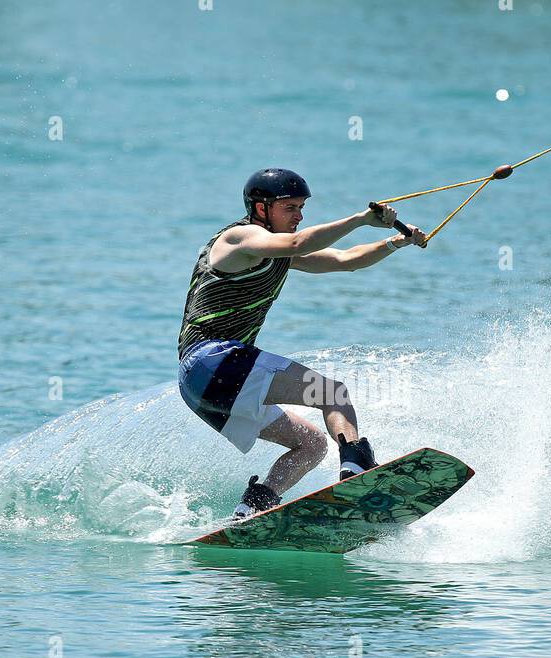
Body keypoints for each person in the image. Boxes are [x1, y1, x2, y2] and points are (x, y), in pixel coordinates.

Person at [178, 168, 428, 518]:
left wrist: (395, 242)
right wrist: (360, 219)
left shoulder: (276, 254)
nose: (299, 216)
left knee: (310, 444)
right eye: (290, 208)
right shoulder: (239, 239)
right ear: (261, 208)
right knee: (333, 394)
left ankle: (254, 506)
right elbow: (299, 242)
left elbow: (345, 261)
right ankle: (357, 472)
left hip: (201, 388)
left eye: (302, 208)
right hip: (214, 360)